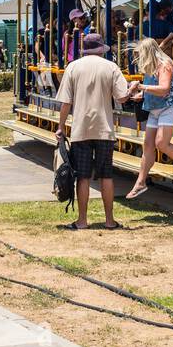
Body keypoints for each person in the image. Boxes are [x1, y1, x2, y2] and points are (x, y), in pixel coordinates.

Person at [54, 33, 137, 230]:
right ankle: (109, 220)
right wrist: (132, 88)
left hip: (80, 130)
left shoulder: (73, 67)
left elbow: (66, 102)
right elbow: (122, 98)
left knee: (82, 177)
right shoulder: (111, 67)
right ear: (101, 49)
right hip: (104, 129)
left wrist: (60, 126)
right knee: (106, 176)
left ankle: (82, 221)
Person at [126, 37, 173, 198]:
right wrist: (142, 94)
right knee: (148, 145)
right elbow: (155, 88)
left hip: (170, 105)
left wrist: (141, 86)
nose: (139, 58)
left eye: (141, 54)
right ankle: (140, 182)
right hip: (156, 107)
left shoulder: (164, 64)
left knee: (161, 143)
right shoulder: (152, 66)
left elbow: (164, 89)